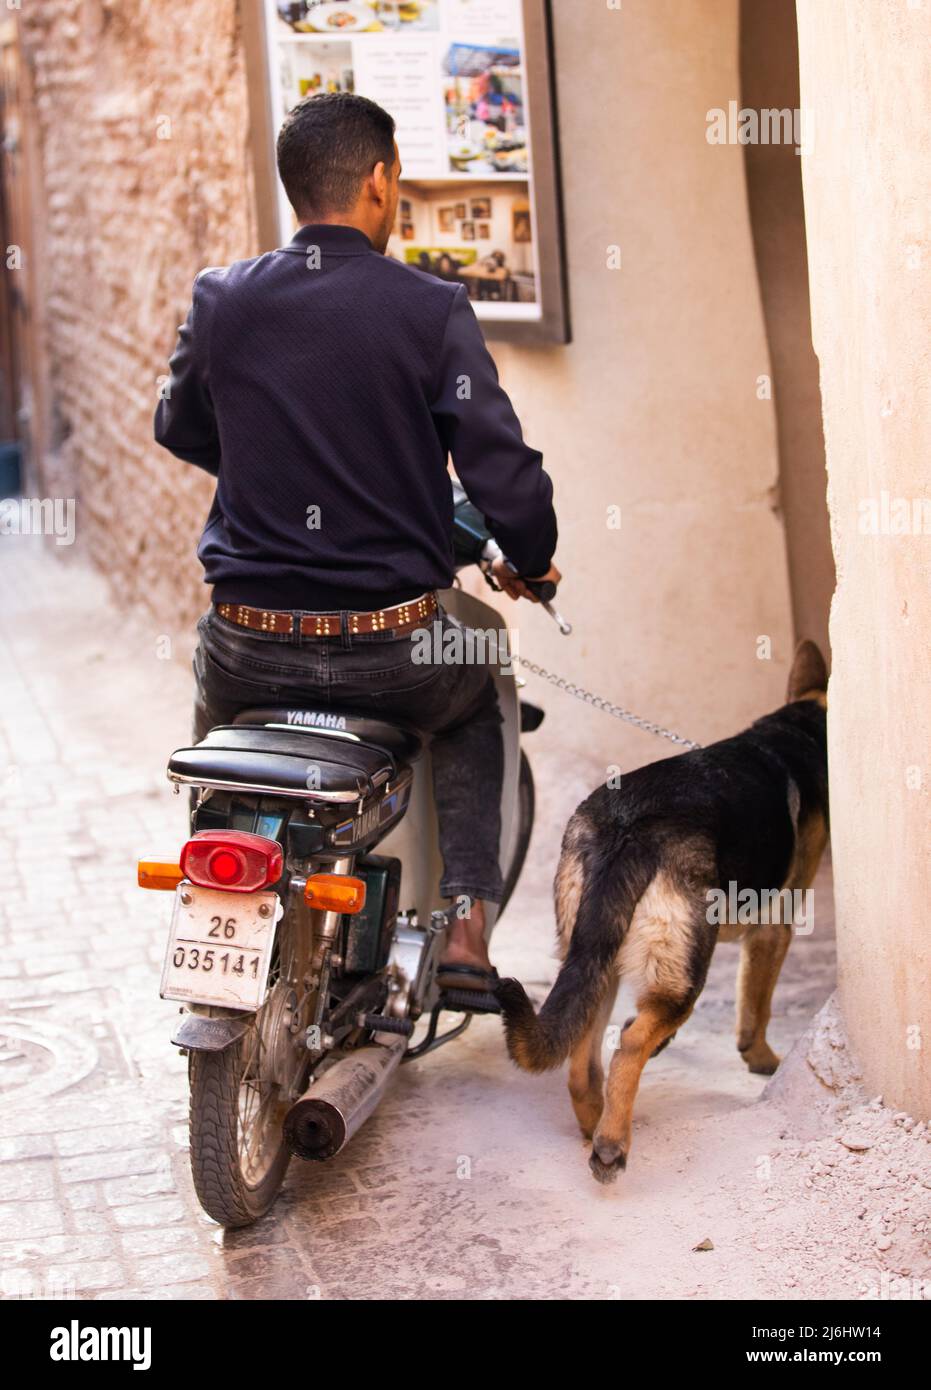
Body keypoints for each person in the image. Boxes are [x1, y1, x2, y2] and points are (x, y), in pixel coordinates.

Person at [154, 92, 559, 991]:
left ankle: (210, 871)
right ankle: (463, 935)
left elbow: (180, 426)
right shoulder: (429, 307)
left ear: (296, 188)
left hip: (248, 649)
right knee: (473, 696)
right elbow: (501, 473)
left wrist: (267, 460)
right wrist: (529, 557)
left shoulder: (223, 298)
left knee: (213, 705)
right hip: (395, 654)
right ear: (378, 182)